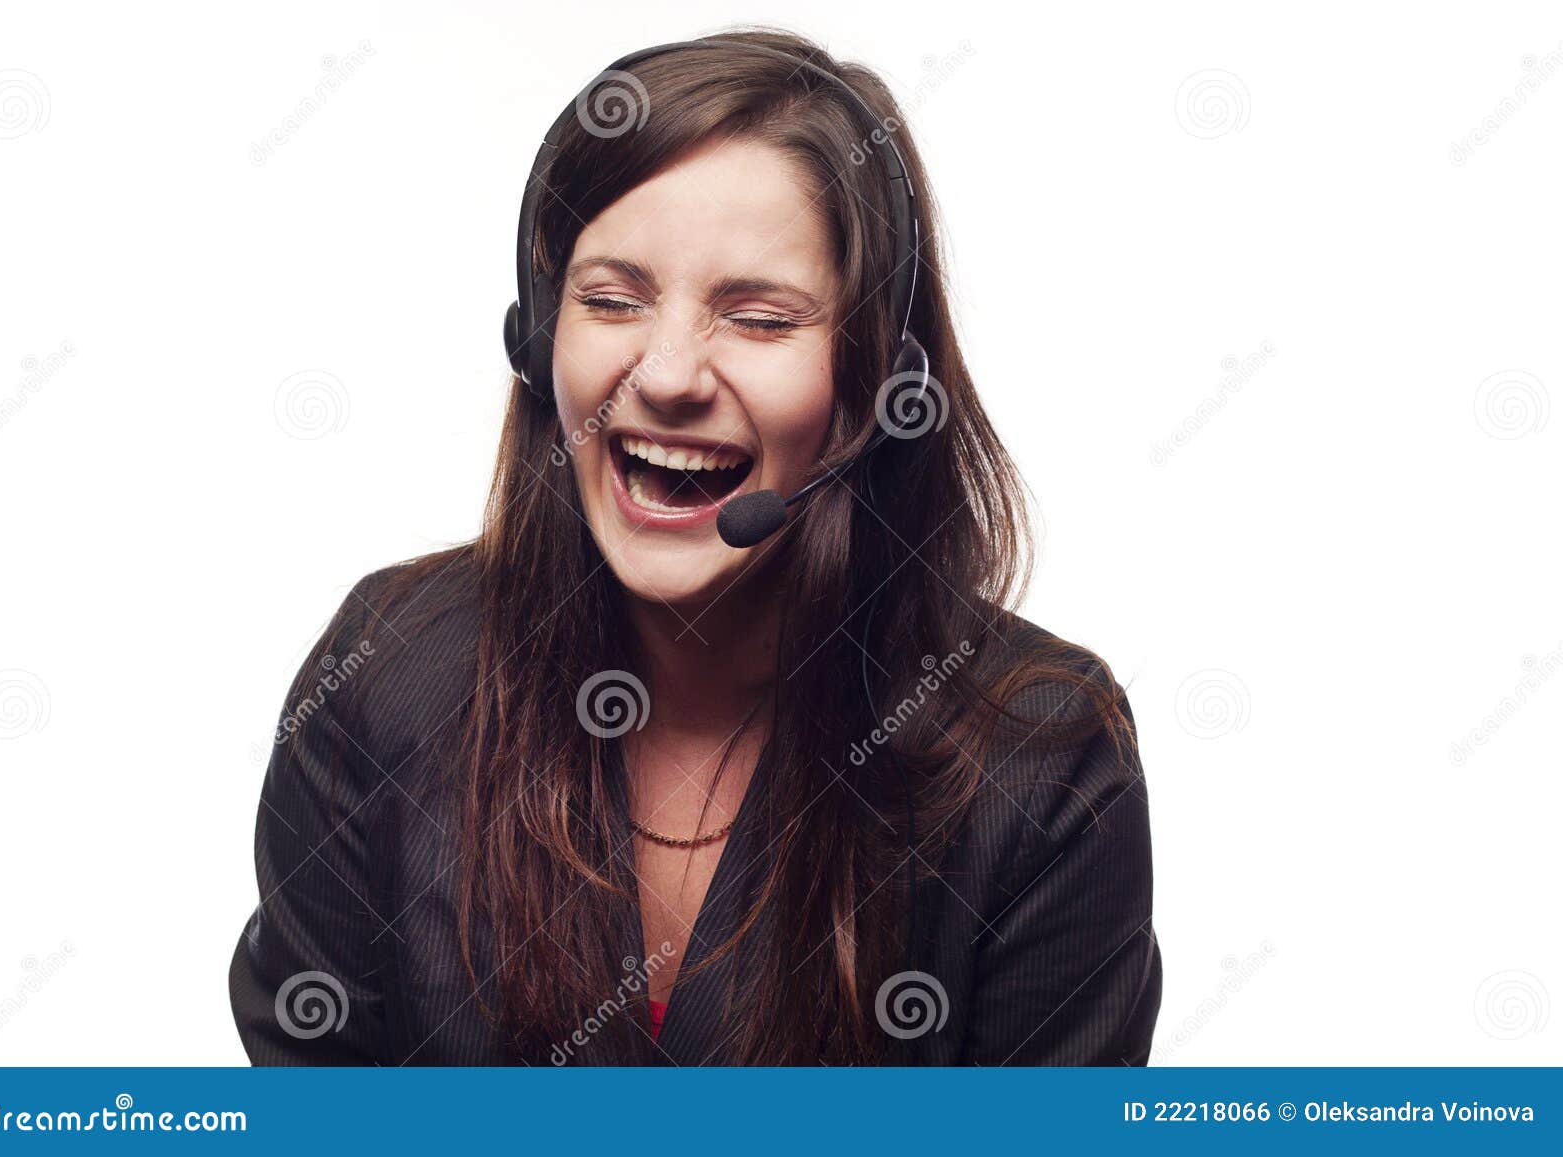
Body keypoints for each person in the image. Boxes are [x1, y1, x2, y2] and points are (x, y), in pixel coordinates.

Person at [228, 26, 1161, 1066]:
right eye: (610, 301)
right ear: (537, 341)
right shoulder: (382, 679)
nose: (666, 374)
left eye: (758, 319)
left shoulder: (1042, 762)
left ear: (874, 385)